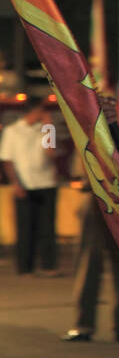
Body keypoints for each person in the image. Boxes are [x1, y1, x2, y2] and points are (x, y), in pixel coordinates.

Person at [63, 182, 119, 342]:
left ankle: (83, 325)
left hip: (97, 198)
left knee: (89, 263)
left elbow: (84, 173)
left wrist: (81, 184)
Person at [2, 94, 60, 275]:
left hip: (46, 183)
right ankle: (25, 266)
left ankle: (48, 265)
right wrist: (15, 183)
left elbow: (51, 154)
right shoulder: (12, 131)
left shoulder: (45, 129)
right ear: (33, 111)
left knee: (47, 227)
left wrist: (48, 127)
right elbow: (7, 160)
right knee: (26, 226)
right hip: (24, 184)